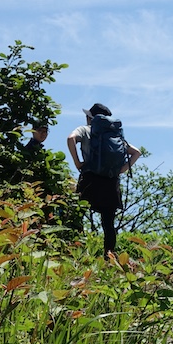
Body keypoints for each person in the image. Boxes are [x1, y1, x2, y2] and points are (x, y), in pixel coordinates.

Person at [67, 103, 141, 258]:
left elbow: (71, 138)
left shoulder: (86, 129)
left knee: (78, 214)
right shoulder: (115, 136)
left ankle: (74, 252)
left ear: (91, 117)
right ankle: (109, 256)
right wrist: (120, 170)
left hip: (90, 178)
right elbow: (136, 152)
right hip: (110, 182)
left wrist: (77, 162)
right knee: (108, 223)